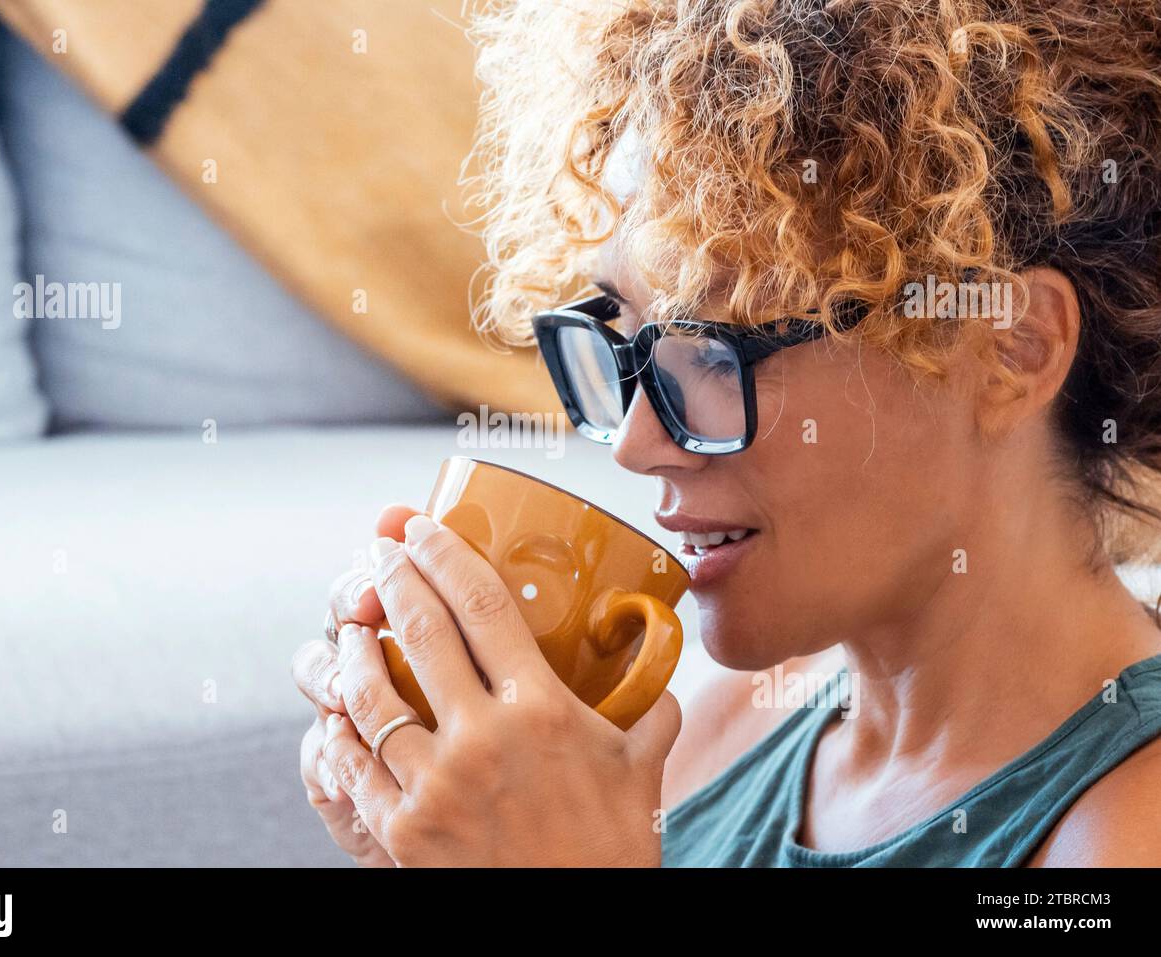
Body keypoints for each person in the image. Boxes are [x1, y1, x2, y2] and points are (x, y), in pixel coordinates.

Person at [292, 0, 1161, 866]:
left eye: (710, 350)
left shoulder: (1122, 827)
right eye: (626, 341)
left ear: (1014, 348)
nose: (634, 442)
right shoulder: (719, 735)